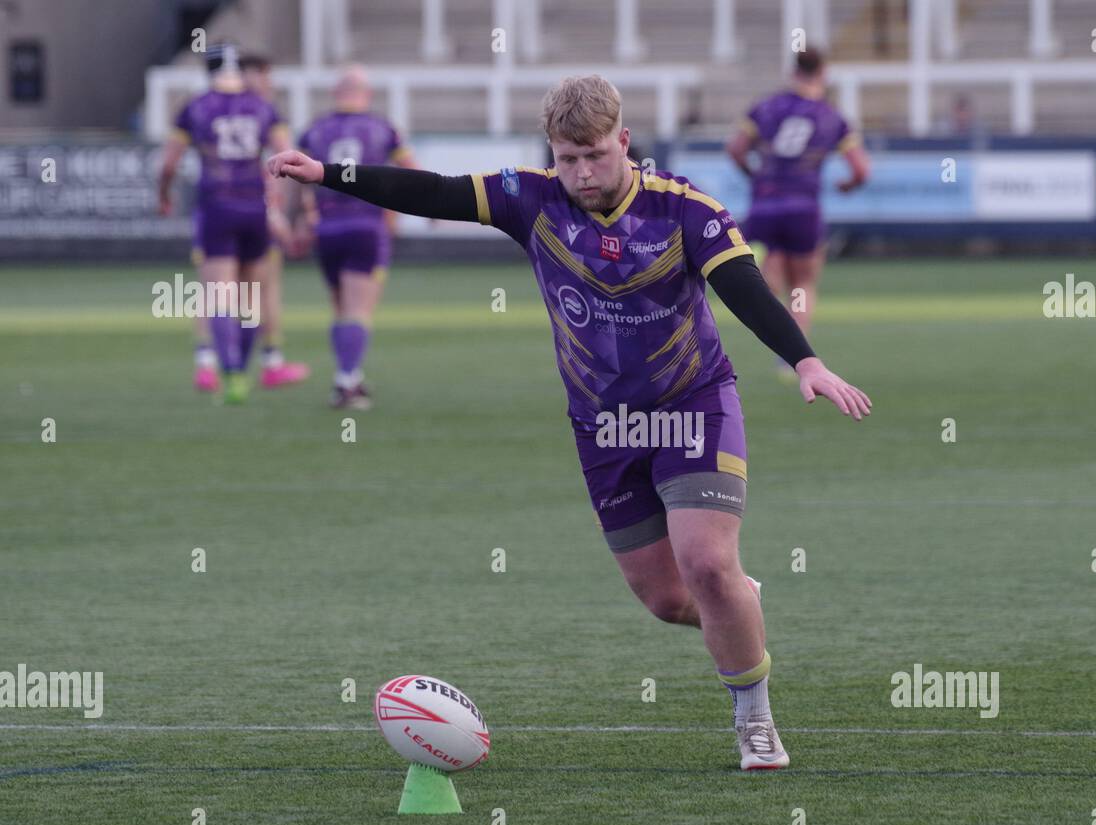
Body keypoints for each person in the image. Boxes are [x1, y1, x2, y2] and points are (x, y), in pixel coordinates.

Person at [267, 75, 872, 770]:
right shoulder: (530, 197)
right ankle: (738, 602)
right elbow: (432, 191)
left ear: (623, 141)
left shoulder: (685, 211)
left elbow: (744, 287)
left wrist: (805, 362)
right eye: (567, 158)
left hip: (692, 404)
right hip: (603, 425)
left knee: (706, 564)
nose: (582, 173)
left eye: (594, 155)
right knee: (669, 600)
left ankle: (754, 718)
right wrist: (329, 174)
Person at [158, 43, 292, 404]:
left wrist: (164, 193)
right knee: (252, 295)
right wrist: (276, 205)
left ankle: (229, 372)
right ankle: (245, 370)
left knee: (218, 294)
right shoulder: (263, 107)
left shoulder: (195, 107)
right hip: (254, 208)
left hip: (216, 206)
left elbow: (169, 163)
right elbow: (285, 155)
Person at [727, 48, 870, 379]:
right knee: (803, 282)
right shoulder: (831, 116)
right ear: (823, 73)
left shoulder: (766, 106)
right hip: (804, 206)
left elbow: (735, 149)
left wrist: (754, 176)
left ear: (794, 73)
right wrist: (848, 186)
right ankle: (794, 356)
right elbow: (861, 170)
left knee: (768, 276)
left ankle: (771, 330)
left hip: (765, 203)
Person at [295, 65, 417, 409]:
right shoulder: (382, 129)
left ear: (336, 94)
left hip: (327, 227)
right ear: (367, 94)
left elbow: (296, 180)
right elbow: (415, 173)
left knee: (340, 307)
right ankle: (346, 382)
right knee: (358, 309)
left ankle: (349, 374)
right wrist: (398, 210)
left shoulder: (315, 130)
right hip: (366, 225)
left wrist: (300, 223)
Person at [238, 52, 310, 390]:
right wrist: (274, 212)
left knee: (238, 290)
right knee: (261, 288)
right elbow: (282, 163)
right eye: (263, 75)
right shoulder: (262, 112)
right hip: (254, 213)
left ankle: (222, 363)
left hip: (221, 213)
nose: (268, 83)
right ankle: (267, 362)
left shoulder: (214, 106)